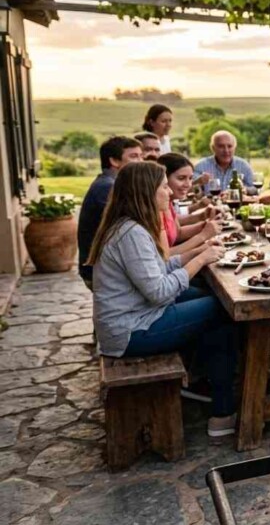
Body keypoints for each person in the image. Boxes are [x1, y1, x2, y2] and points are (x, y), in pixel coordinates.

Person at [87, 162, 238, 437]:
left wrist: (199, 250)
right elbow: (159, 291)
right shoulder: (131, 233)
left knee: (210, 298)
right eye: (164, 186)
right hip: (132, 330)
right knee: (223, 311)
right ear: (146, 192)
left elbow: (160, 268)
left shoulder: (131, 226)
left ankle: (204, 380)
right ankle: (223, 409)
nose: (169, 192)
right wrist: (202, 258)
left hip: (139, 314)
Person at [77, 136, 144, 289]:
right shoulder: (107, 188)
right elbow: (137, 225)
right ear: (114, 161)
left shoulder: (111, 184)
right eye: (134, 156)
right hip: (102, 274)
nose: (141, 161)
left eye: (141, 156)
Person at [155, 153, 220, 254]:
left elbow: (178, 233)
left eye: (190, 178)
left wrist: (205, 225)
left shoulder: (168, 203)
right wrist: (203, 236)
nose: (188, 185)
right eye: (181, 178)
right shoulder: (156, 209)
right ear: (164, 178)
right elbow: (164, 256)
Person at [193, 130, 255, 195]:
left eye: (229, 146)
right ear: (213, 148)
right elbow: (187, 190)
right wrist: (197, 182)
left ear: (234, 148)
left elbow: (255, 188)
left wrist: (246, 190)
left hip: (236, 204)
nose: (226, 150)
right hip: (209, 204)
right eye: (221, 146)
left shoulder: (243, 166)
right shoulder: (200, 166)